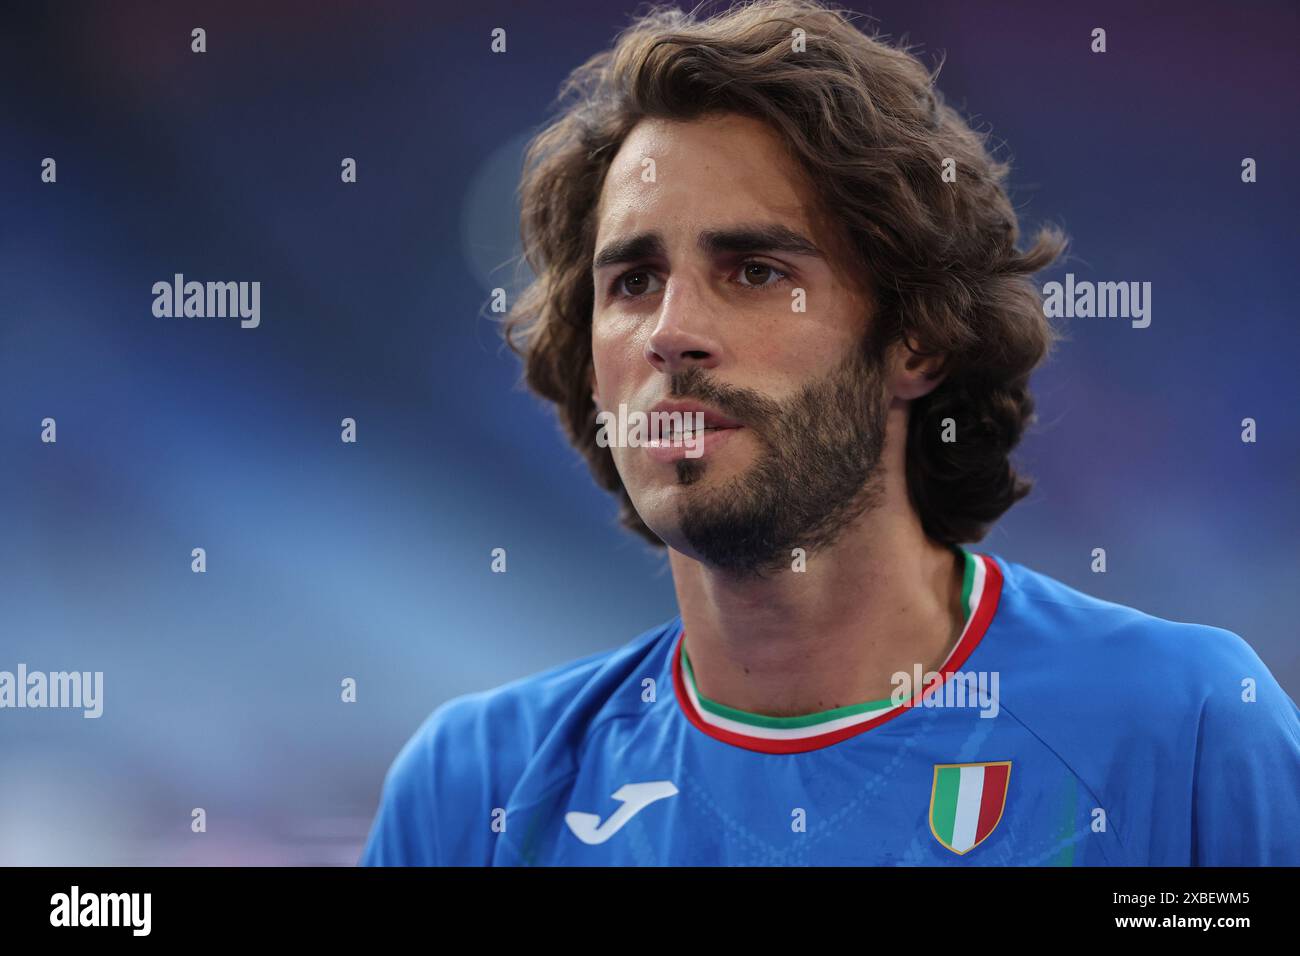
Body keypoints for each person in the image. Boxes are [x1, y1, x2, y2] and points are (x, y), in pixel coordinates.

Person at [361, 0, 1299, 865]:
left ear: (916, 336)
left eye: (757, 270)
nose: (670, 332)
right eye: (633, 281)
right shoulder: (473, 791)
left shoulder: (1182, 727)